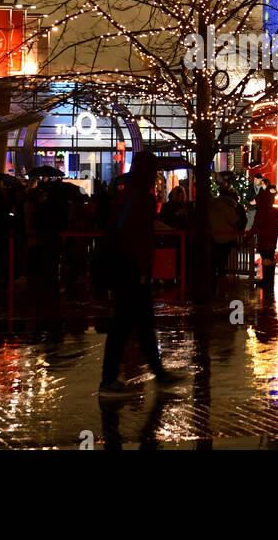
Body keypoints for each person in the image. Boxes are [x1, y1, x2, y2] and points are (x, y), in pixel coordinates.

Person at [99, 152, 185, 398]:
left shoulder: (127, 195)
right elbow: (140, 236)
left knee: (138, 322)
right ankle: (110, 380)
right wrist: (144, 269)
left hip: (122, 264)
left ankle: (155, 373)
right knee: (128, 323)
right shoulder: (143, 199)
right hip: (132, 267)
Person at [209, 187, 244, 293]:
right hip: (226, 237)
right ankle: (221, 281)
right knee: (223, 259)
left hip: (215, 236)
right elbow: (233, 220)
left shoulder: (213, 207)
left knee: (217, 258)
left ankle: (216, 280)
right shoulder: (228, 207)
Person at [253, 185, 278, 290]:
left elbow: (256, 225)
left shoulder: (261, 212)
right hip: (272, 240)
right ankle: (269, 280)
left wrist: (248, 236)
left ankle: (266, 281)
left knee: (265, 260)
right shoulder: (274, 212)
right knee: (270, 259)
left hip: (264, 239)